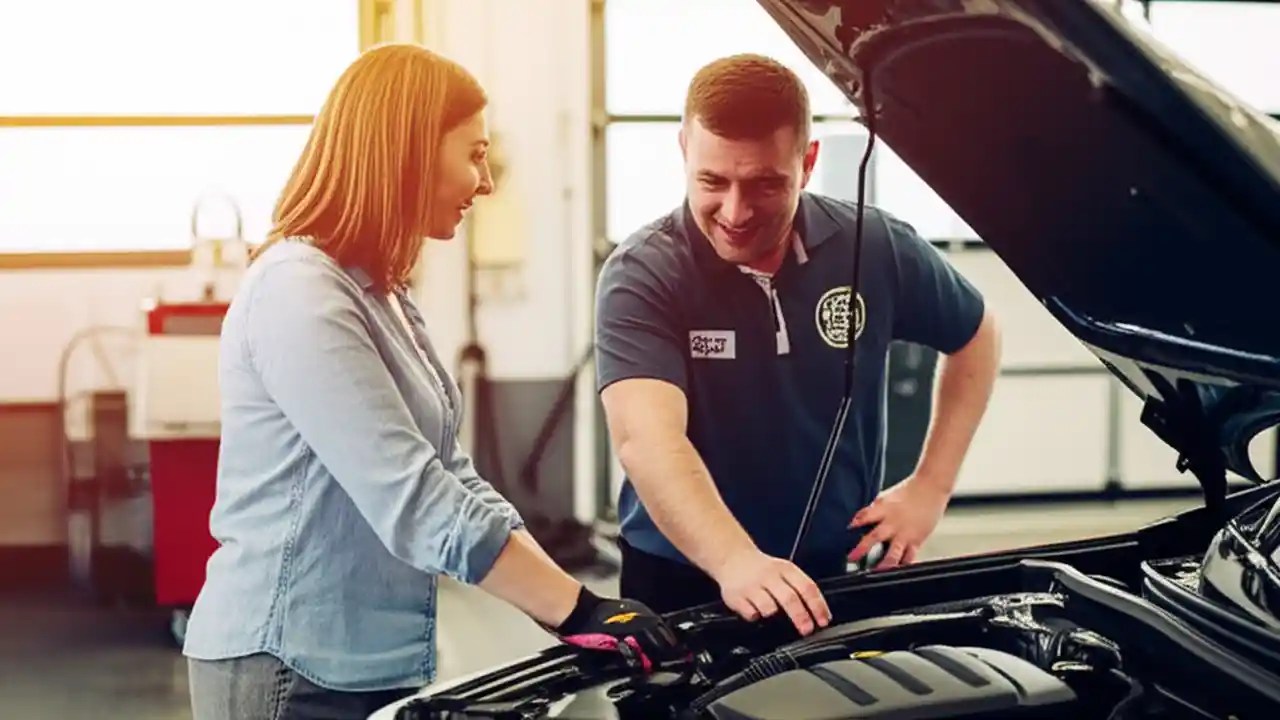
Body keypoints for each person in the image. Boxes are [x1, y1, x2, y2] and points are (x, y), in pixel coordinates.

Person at [182, 44, 682, 720]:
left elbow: (451, 472)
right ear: (410, 152)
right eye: (473, 154)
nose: (486, 181)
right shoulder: (297, 291)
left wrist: (572, 603)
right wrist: (576, 608)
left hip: (362, 662)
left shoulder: (378, 290)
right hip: (288, 664)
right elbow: (411, 496)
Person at [595, 54, 1001, 635]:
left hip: (835, 570)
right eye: (712, 181)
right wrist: (735, 561)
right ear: (685, 149)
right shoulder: (643, 274)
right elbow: (648, 441)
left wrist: (931, 487)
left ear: (807, 163)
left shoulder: (873, 246)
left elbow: (977, 334)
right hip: (682, 577)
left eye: (765, 183)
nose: (735, 212)